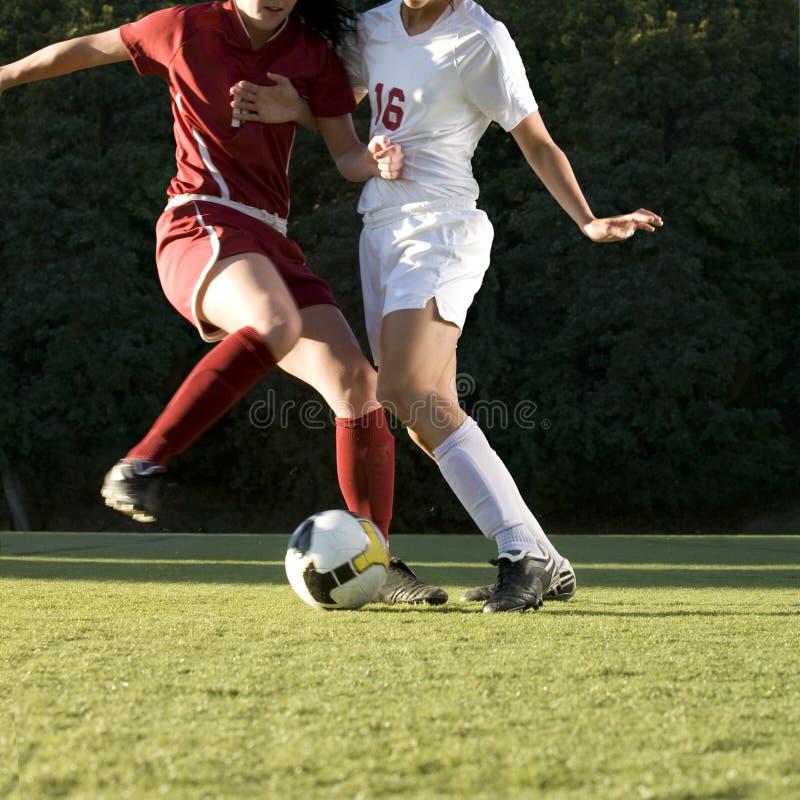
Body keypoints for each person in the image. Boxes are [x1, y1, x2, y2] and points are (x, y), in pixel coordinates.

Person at [0, 0, 447, 605]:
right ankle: (142, 462)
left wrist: (370, 161)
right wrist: (6, 74)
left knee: (358, 386)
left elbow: (344, 154)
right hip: (199, 221)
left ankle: (380, 562)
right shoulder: (184, 27)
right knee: (274, 322)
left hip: (270, 237)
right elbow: (83, 49)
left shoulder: (313, 53)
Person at [234, 0, 663, 612]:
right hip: (378, 229)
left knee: (402, 390)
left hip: (442, 229)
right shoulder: (372, 26)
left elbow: (535, 141)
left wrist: (589, 221)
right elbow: (340, 109)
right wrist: (292, 109)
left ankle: (523, 551)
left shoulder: (480, 38)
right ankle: (548, 557)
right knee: (424, 414)